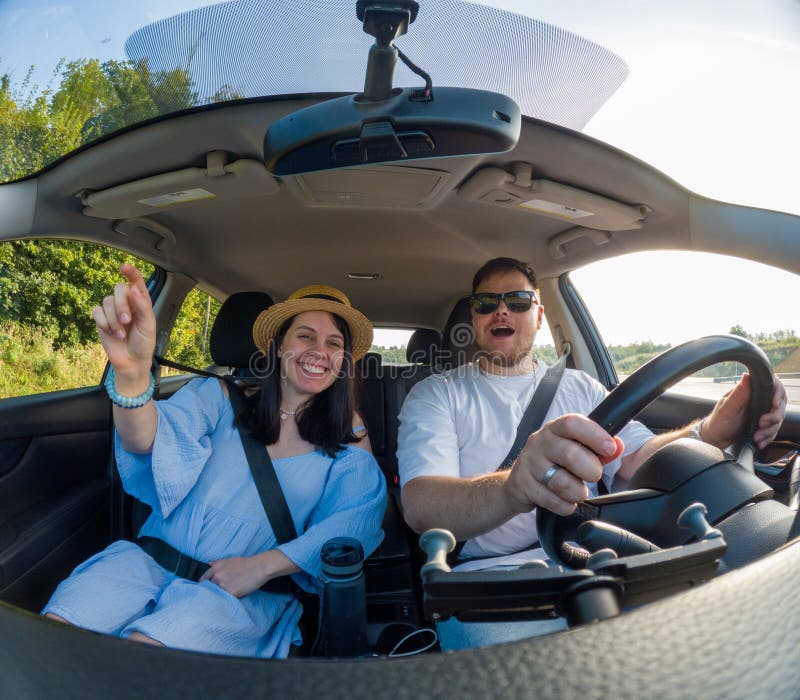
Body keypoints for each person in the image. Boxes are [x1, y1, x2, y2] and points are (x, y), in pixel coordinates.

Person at [42, 265, 387, 658]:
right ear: (278, 347)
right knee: (56, 638)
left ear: (343, 360)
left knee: (144, 656)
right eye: (305, 336)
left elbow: (354, 520)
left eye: (333, 343)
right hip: (145, 564)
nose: (319, 353)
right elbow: (144, 440)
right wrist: (132, 375)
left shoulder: (347, 437)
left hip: (238, 595)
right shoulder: (217, 396)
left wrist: (261, 567)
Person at [398, 256, 787, 569]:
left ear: (539, 314)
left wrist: (711, 430)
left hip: (597, 549)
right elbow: (421, 506)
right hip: (491, 572)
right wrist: (515, 487)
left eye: (517, 301)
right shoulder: (436, 394)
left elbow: (635, 460)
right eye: (487, 303)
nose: (502, 311)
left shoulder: (579, 386)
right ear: (474, 317)